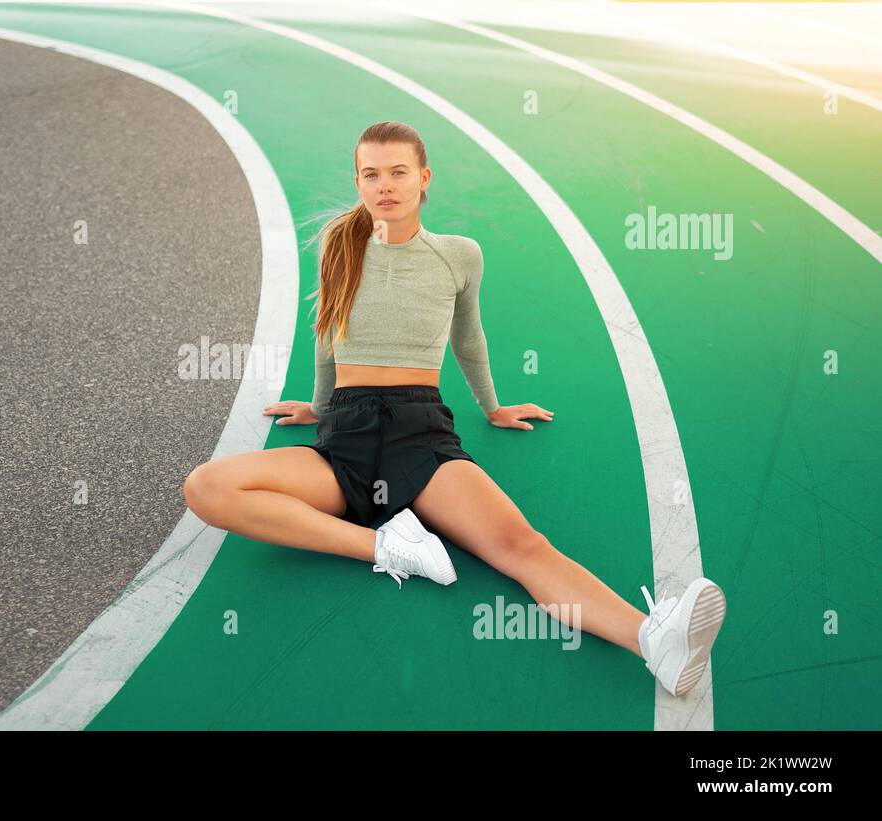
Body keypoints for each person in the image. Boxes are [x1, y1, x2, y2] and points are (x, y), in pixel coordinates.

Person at [183, 121, 725, 698]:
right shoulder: (338, 249)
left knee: (523, 547)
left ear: (423, 178)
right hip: (344, 440)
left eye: (398, 173)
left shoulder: (459, 255)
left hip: (421, 438)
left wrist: (491, 408)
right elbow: (326, 334)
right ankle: (387, 547)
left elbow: (470, 339)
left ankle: (651, 639)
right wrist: (318, 407)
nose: (385, 185)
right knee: (207, 488)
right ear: (358, 182)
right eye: (371, 174)